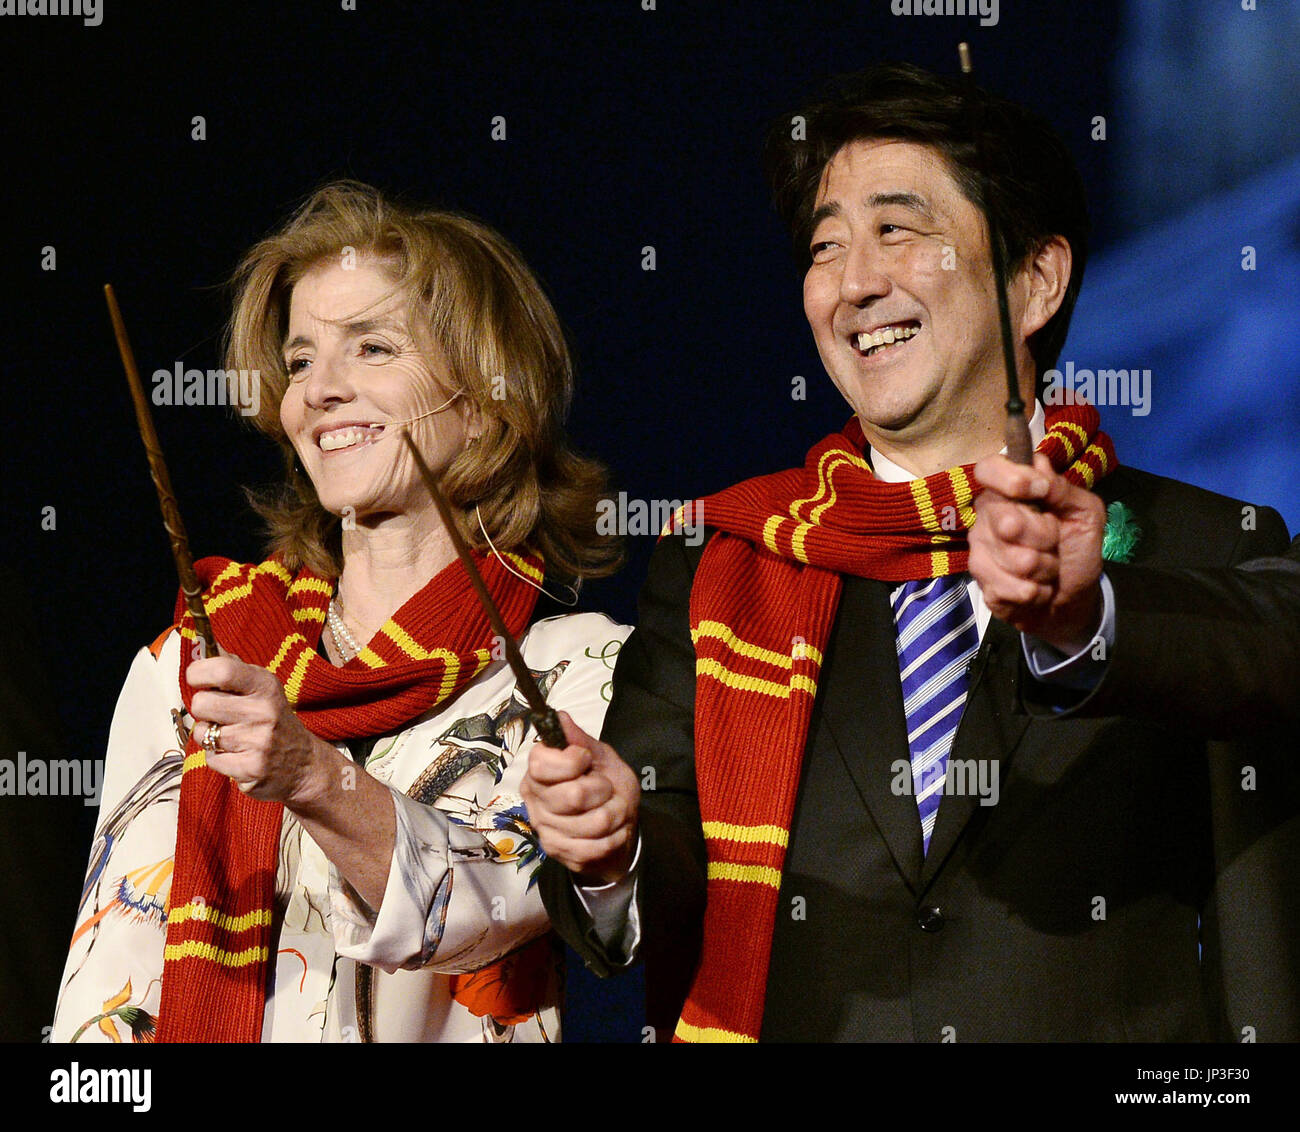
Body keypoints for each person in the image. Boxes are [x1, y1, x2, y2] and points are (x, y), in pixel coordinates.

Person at [522, 63, 1298, 1042]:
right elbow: (666, 849)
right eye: (825, 246)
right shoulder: (730, 558)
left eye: (898, 230)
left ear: (1034, 278)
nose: (854, 283)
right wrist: (610, 851)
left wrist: (1083, 622)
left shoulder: (1204, 543)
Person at [51, 181, 630, 1043]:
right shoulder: (192, 663)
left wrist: (314, 778)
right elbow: (106, 990)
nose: (318, 390)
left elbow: (500, 906)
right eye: (298, 360)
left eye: (371, 348)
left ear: (480, 403)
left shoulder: (585, 672)